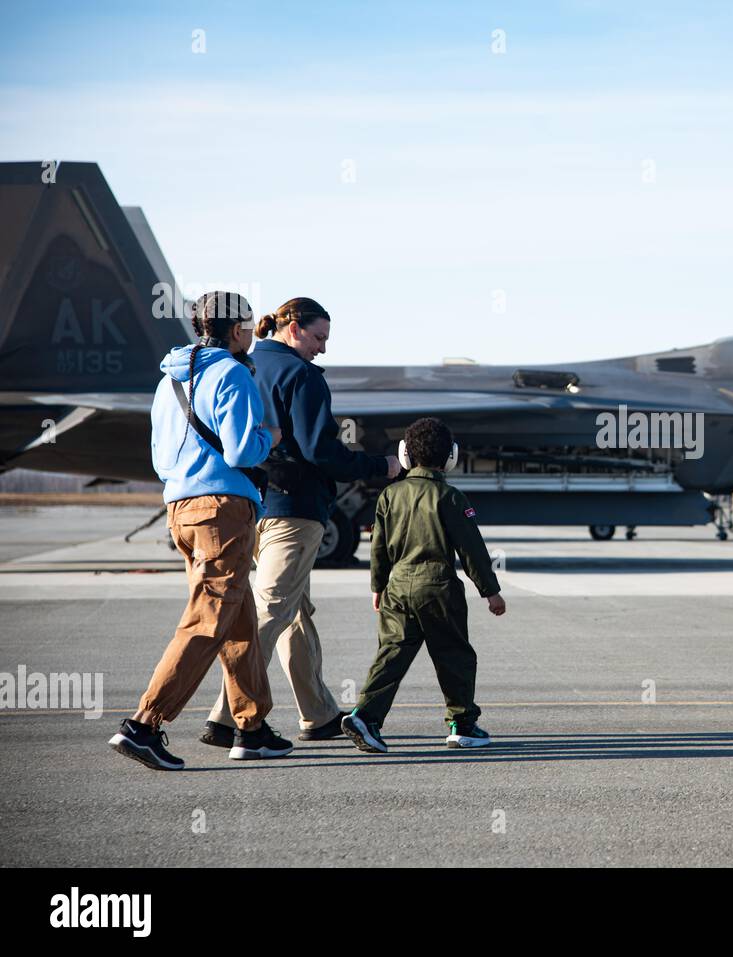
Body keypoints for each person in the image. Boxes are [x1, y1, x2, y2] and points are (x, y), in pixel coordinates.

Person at [201, 297, 400, 748]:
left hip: (255, 505)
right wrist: (379, 466)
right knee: (271, 611)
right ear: (293, 328)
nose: (323, 349)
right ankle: (227, 718)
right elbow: (321, 451)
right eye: (318, 337)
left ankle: (319, 713)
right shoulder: (301, 375)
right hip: (296, 512)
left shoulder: (246, 365)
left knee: (294, 613)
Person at [109, 291, 293, 770]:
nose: (253, 336)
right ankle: (144, 725)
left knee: (238, 619)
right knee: (210, 617)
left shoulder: (168, 379)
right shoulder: (232, 372)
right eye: (250, 328)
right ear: (236, 331)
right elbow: (240, 452)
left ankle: (251, 728)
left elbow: (158, 457)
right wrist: (268, 437)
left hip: (181, 507)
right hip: (222, 509)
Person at [342, 417, 506, 754]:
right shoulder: (451, 497)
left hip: (396, 589)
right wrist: (490, 591)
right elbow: (471, 548)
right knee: (454, 655)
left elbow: (379, 547)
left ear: (405, 455)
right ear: (450, 458)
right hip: (439, 589)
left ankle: (366, 716)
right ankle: (462, 724)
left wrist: (378, 586)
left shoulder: (389, 495)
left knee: (393, 653)